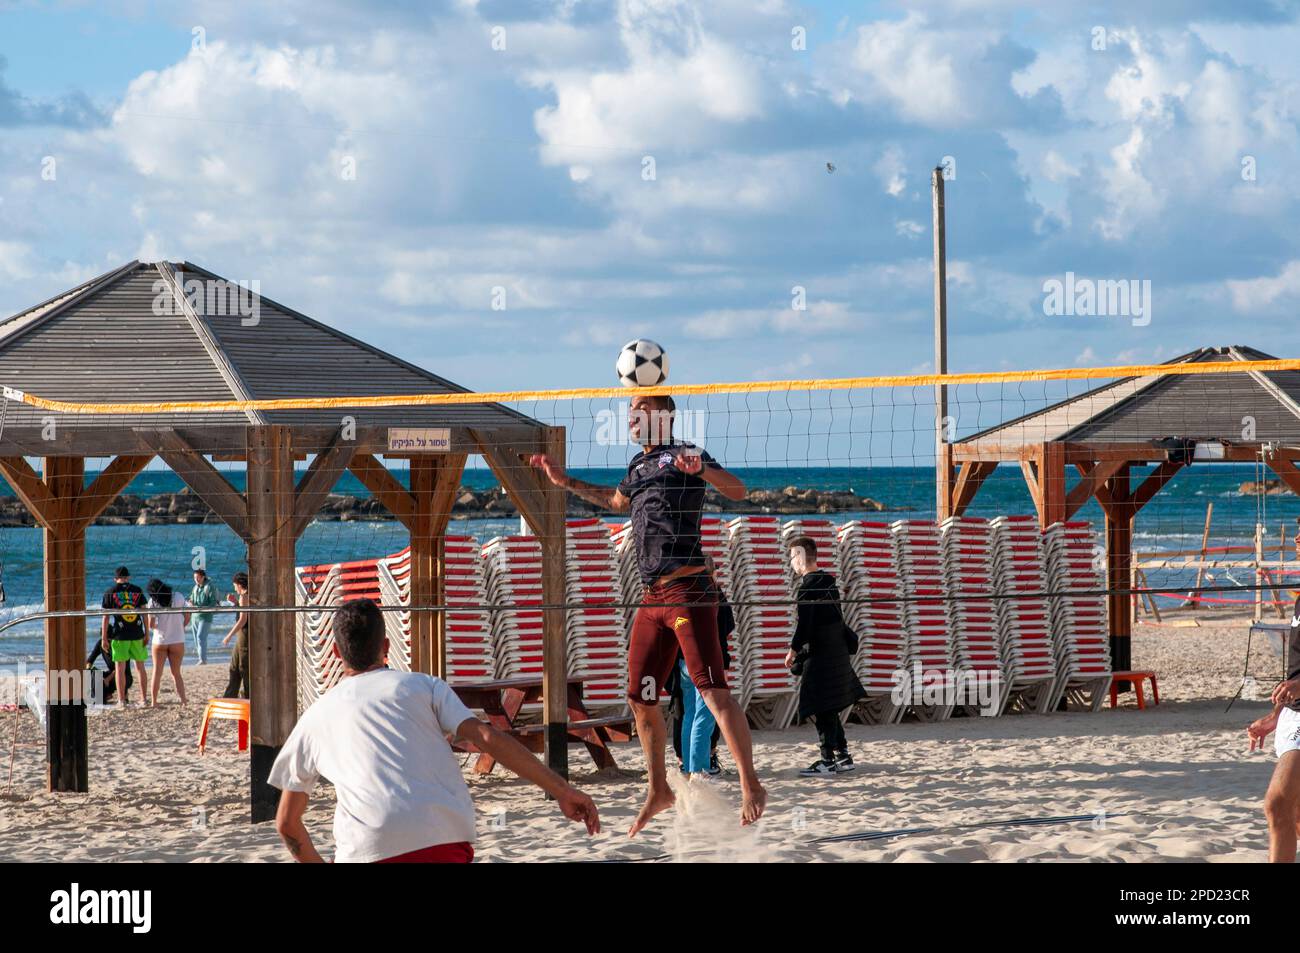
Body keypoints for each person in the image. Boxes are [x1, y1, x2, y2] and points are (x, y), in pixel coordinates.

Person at [530, 392, 766, 835]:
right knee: (640, 697)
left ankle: (751, 785)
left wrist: (706, 470)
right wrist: (564, 482)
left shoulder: (685, 455)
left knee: (713, 693)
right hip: (652, 598)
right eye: (631, 414)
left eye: (641, 413)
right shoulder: (637, 468)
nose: (632, 420)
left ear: (664, 418)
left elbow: (738, 490)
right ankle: (659, 790)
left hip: (687, 591)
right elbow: (616, 502)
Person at [271, 599, 600, 863]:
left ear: (336, 653)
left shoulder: (315, 717)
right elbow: (488, 737)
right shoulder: (422, 686)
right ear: (386, 645)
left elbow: (287, 823)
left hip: (368, 846)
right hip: (442, 836)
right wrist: (562, 790)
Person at [784, 536, 865, 776]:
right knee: (828, 706)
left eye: (791, 557)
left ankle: (827, 759)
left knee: (821, 705)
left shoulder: (807, 587)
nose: (791, 563)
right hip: (836, 649)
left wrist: (792, 650)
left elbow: (805, 626)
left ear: (800, 557)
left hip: (821, 653)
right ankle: (843, 755)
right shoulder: (829, 582)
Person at [667, 554, 732, 778]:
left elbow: (675, 625)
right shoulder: (712, 594)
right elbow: (727, 624)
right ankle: (699, 767)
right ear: (711, 572)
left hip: (684, 659)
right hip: (707, 659)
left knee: (689, 714)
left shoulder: (681, 594)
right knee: (705, 716)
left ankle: (686, 765)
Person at [1248, 593, 1300, 862]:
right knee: (1292, 815)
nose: (1297, 547)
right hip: (1293, 715)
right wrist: (1276, 716)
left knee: (1277, 804)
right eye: (1295, 545)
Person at [100, 566, 149, 709]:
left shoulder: (110, 592)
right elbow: (145, 613)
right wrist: (147, 632)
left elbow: (106, 617)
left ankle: (121, 701)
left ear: (116, 579)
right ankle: (144, 699)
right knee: (140, 667)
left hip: (119, 635)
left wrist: (104, 637)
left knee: (120, 668)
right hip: (137, 633)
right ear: (129, 577)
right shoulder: (137, 590)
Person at [145, 578, 190, 706]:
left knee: (157, 672)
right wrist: (181, 627)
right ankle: (183, 701)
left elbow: (151, 624)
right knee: (176, 673)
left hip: (160, 640)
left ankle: (154, 701)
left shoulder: (152, 602)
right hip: (177, 640)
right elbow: (187, 616)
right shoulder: (178, 596)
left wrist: (158, 626)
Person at [221, 573, 249, 699]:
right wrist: (235, 602)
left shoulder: (245, 596)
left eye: (234, 586)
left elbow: (243, 619)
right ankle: (230, 695)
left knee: (243, 666)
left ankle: (247, 695)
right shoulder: (243, 597)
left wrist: (229, 635)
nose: (234, 588)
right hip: (241, 634)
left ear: (239, 584)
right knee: (234, 666)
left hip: (244, 633)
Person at [85, 640, 132, 704]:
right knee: (91, 673)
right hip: (110, 673)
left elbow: (120, 668)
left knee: (107, 682)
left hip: (124, 675)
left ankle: (120, 696)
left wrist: (107, 679)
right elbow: (90, 661)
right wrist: (88, 670)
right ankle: (105, 695)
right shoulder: (100, 643)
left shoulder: (118, 643)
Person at [188, 569, 218, 664]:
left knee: (201, 637)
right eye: (194, 578)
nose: (196, 579)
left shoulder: (209, 587)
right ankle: (200, 658)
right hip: (194, 617)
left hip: (205, 616)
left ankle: (203, 660)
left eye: (198, 577)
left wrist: (202, 608)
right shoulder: (195, 587)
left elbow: (213, 603)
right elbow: (191, 599)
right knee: (196, 639)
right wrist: (190, 602)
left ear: (203, 577)